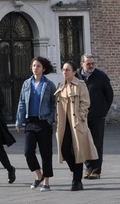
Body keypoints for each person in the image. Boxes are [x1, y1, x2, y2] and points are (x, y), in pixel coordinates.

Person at [15, 57, 57, 190]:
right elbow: (22, 102)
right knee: (28, 152)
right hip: (30, 122)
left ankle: (46, 182)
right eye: (34, 65)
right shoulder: (26, 84)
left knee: (46, 153)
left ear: (43, 69)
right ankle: (38, 174)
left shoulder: (49, 85)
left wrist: (50, 119)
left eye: (38, 66)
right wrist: (19, 120)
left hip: (44, 122)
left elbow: (54, 104)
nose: (35, 68)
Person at [54, 62, 97, 191]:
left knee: (78, 151)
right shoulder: (60, 86)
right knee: (64, 150)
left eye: (67, 70)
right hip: (64, 124)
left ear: (73, 72)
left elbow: (86, 102)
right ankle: (76, 172)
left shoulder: (80, 85)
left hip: (76, 123)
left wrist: (81, 116)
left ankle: (76, 181)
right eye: (63, 70)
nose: (65, 72)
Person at [75, 53, 113, 179]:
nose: (91, 66)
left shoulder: (101, 76)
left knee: (96, 142)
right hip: (81, 115)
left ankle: (96, 170)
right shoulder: (76, 76)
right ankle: (88, 166)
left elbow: (109, 95)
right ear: (82, 64)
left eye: (93, 63)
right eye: (88, 64)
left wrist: (103, 111)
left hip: (97, 115)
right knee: (83, 142)